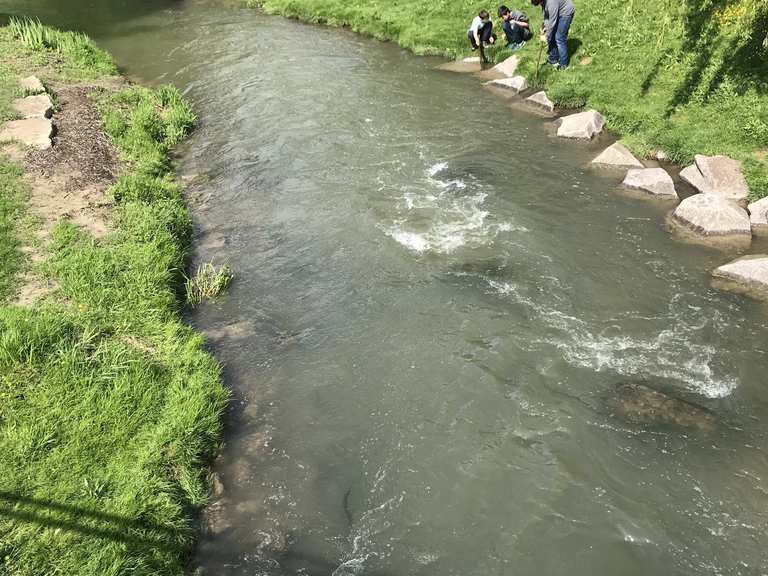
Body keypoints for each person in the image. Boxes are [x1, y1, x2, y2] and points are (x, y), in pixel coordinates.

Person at [531, 0, 575, 69]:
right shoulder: (544, 2)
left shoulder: (551, 2)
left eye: (540, 3)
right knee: (551, 34)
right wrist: (545, 26)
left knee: (559, 38)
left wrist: (546, 36)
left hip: (566, 12)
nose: (540, 4)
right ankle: (553, 59)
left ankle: (564, 64)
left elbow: (552, 22)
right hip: (558, 11)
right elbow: (547, 15)